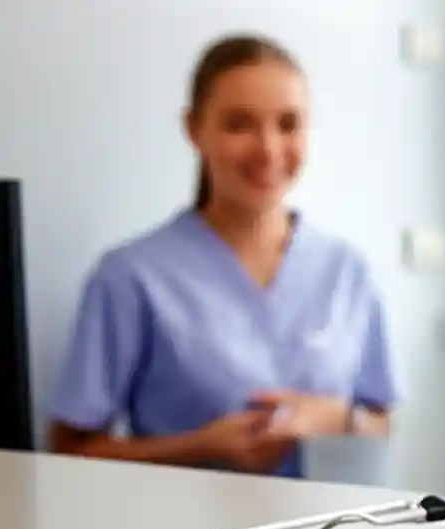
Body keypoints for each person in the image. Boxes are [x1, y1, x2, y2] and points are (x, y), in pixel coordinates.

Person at [47, 34, 399, 478]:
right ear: (194, 128)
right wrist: (198, 447)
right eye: (240, 124)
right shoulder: (130, 277)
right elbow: (68, 450)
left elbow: (383, 422)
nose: (269, 149)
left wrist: (339, 418)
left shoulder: (347, 270)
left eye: (288, 124)